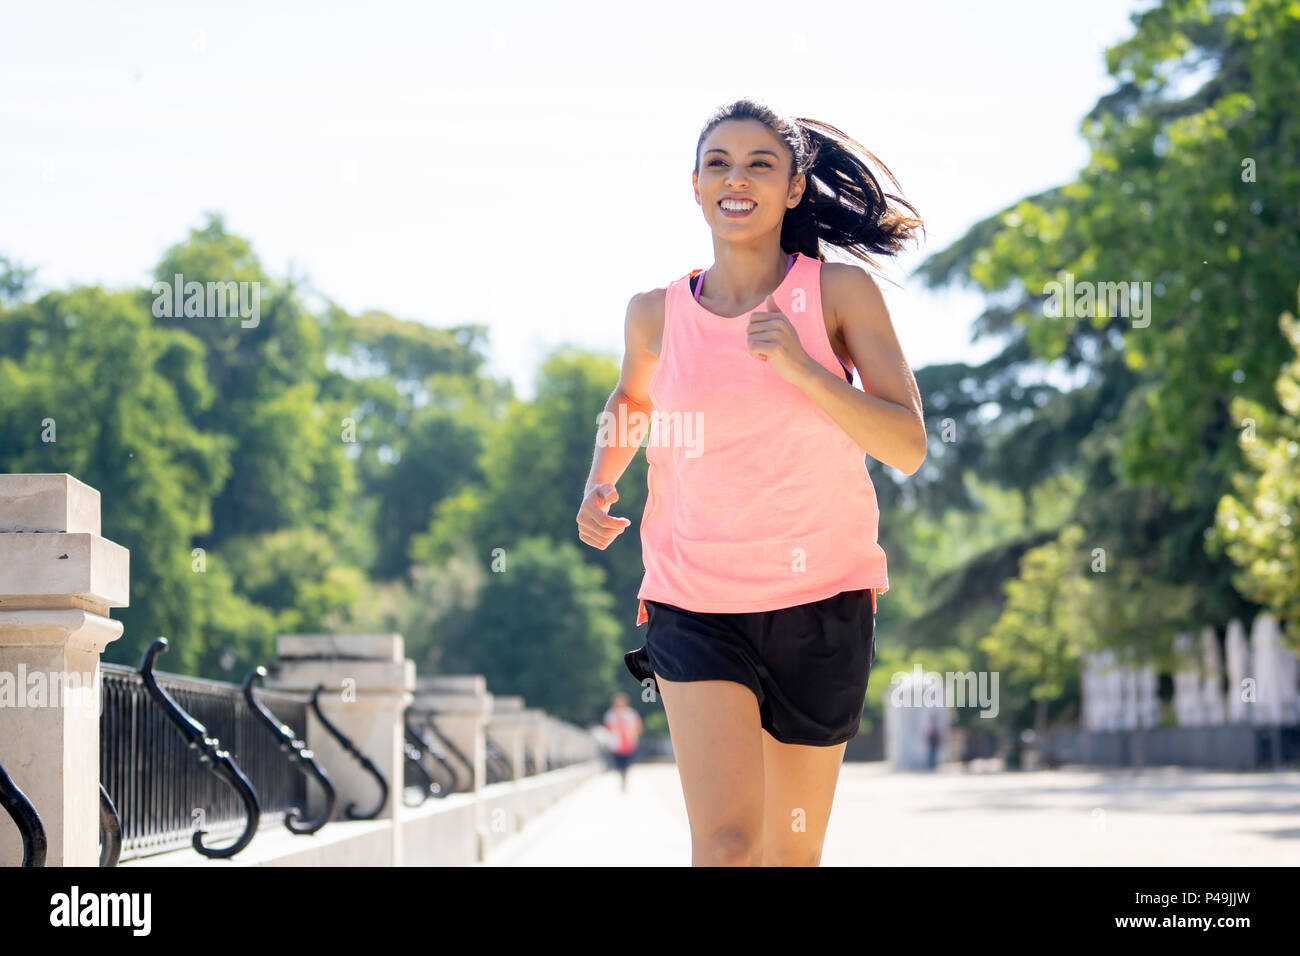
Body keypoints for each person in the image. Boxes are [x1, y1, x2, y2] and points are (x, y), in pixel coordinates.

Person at [575, 97, 926, 866]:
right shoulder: (654, 315)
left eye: (761, 164)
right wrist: (601, 481)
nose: (738, 179)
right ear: (695, 186)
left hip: (821, 601)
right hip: (694, 601)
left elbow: (905, 444)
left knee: (787, 854)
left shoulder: (837, 296)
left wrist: (803, 369)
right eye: (719, 164)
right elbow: (633, 398)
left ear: (794, 189)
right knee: (730, 845)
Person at [603, 692, 643, 793]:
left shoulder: (631, 714)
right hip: (616, 745)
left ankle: (624, 779)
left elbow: (638, 727)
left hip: (629, 744)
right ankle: (621, 778)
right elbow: (607, 729)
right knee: (618, 764)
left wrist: (634, 736)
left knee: (626, 764)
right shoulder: (610, 714)